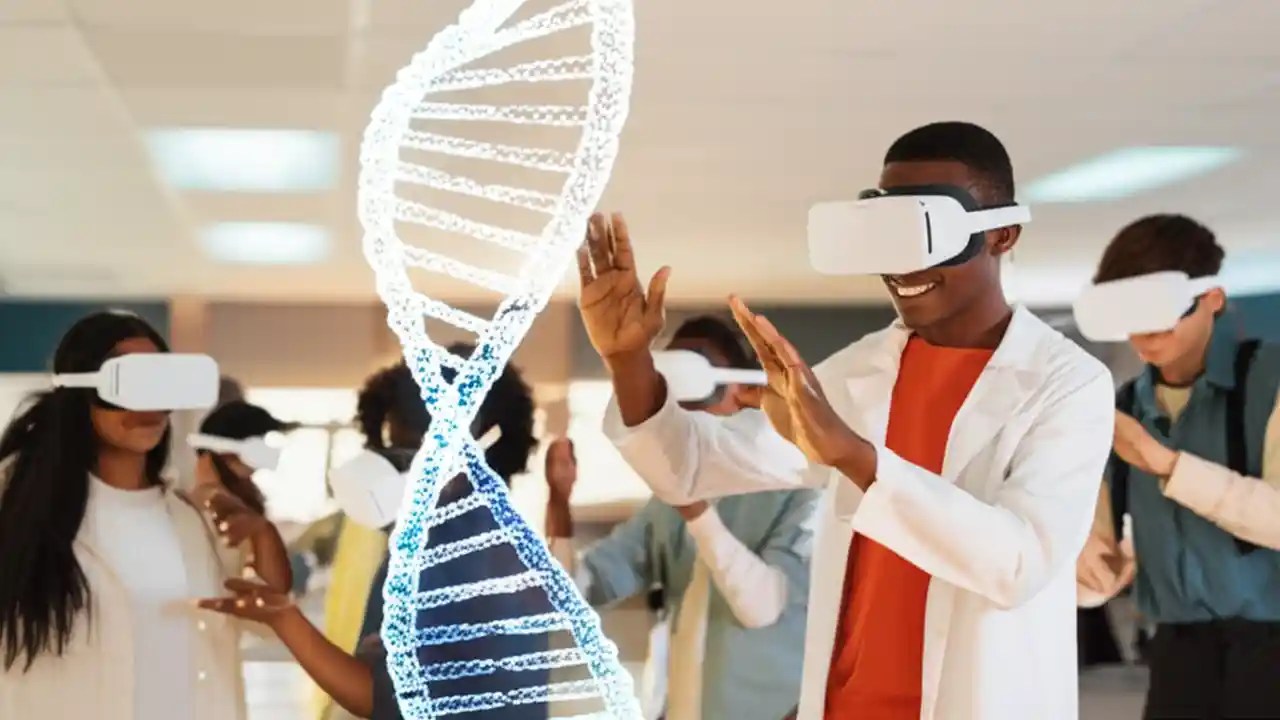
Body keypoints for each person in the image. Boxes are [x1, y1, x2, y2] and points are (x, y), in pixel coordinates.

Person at [576, 121, 1115, 720]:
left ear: (1002, 234)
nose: (902, 264)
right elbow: (691, 469)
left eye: (925, 232)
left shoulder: (1067, 383)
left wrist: (854, 457)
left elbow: (1018, 564)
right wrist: (626, 360)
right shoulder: (857, 373)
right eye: (887, 232)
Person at [199, 347, 543, 720]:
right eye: (391, 451)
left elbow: (377, 697)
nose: (392, 469)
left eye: (409, 455)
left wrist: (285, 620)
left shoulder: (461, 556)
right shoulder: (455, 538)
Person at [0, 310, 289, 720]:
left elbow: (263, 621)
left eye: (160, 383)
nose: (150, 403)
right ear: (81, 390)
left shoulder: (194, 521)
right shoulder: (17, 511)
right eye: (130, 384)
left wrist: (263, 536)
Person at [545, 315, 816, 720]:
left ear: (742, 391)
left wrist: (691, 504)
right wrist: (559, 504)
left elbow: (762, 607)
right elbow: (573, 596)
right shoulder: (664, 508)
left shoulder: (801, 488)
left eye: (696, 379)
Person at [1073, 214, 1280, 718]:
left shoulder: (1271, 380)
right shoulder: (1120, 409)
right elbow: (1097, 570)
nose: (1143, 331)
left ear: (1212, 300)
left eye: (1160, 311)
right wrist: (1093, 568)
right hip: (1176, 658)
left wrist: (1164, 463)